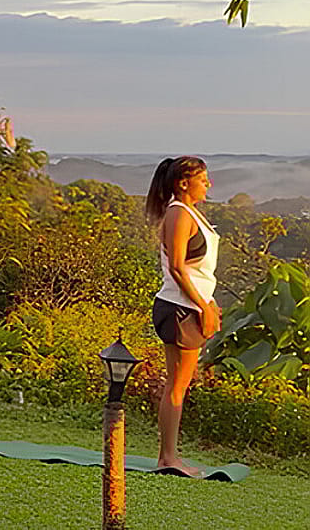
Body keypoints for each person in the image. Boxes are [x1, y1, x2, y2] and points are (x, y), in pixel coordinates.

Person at [146, 156, 220, 476]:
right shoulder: (178, 213)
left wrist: (210, 305)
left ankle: (170, 455)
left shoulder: (190, 213)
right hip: (179, 309)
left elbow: (197, 270)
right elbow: (176, 267)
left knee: (181, 384)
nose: (209, 184)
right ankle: (168, 458)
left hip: (190, 307)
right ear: (183, 182)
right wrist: (203, 308)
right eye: (203, 179)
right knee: (176, 385)